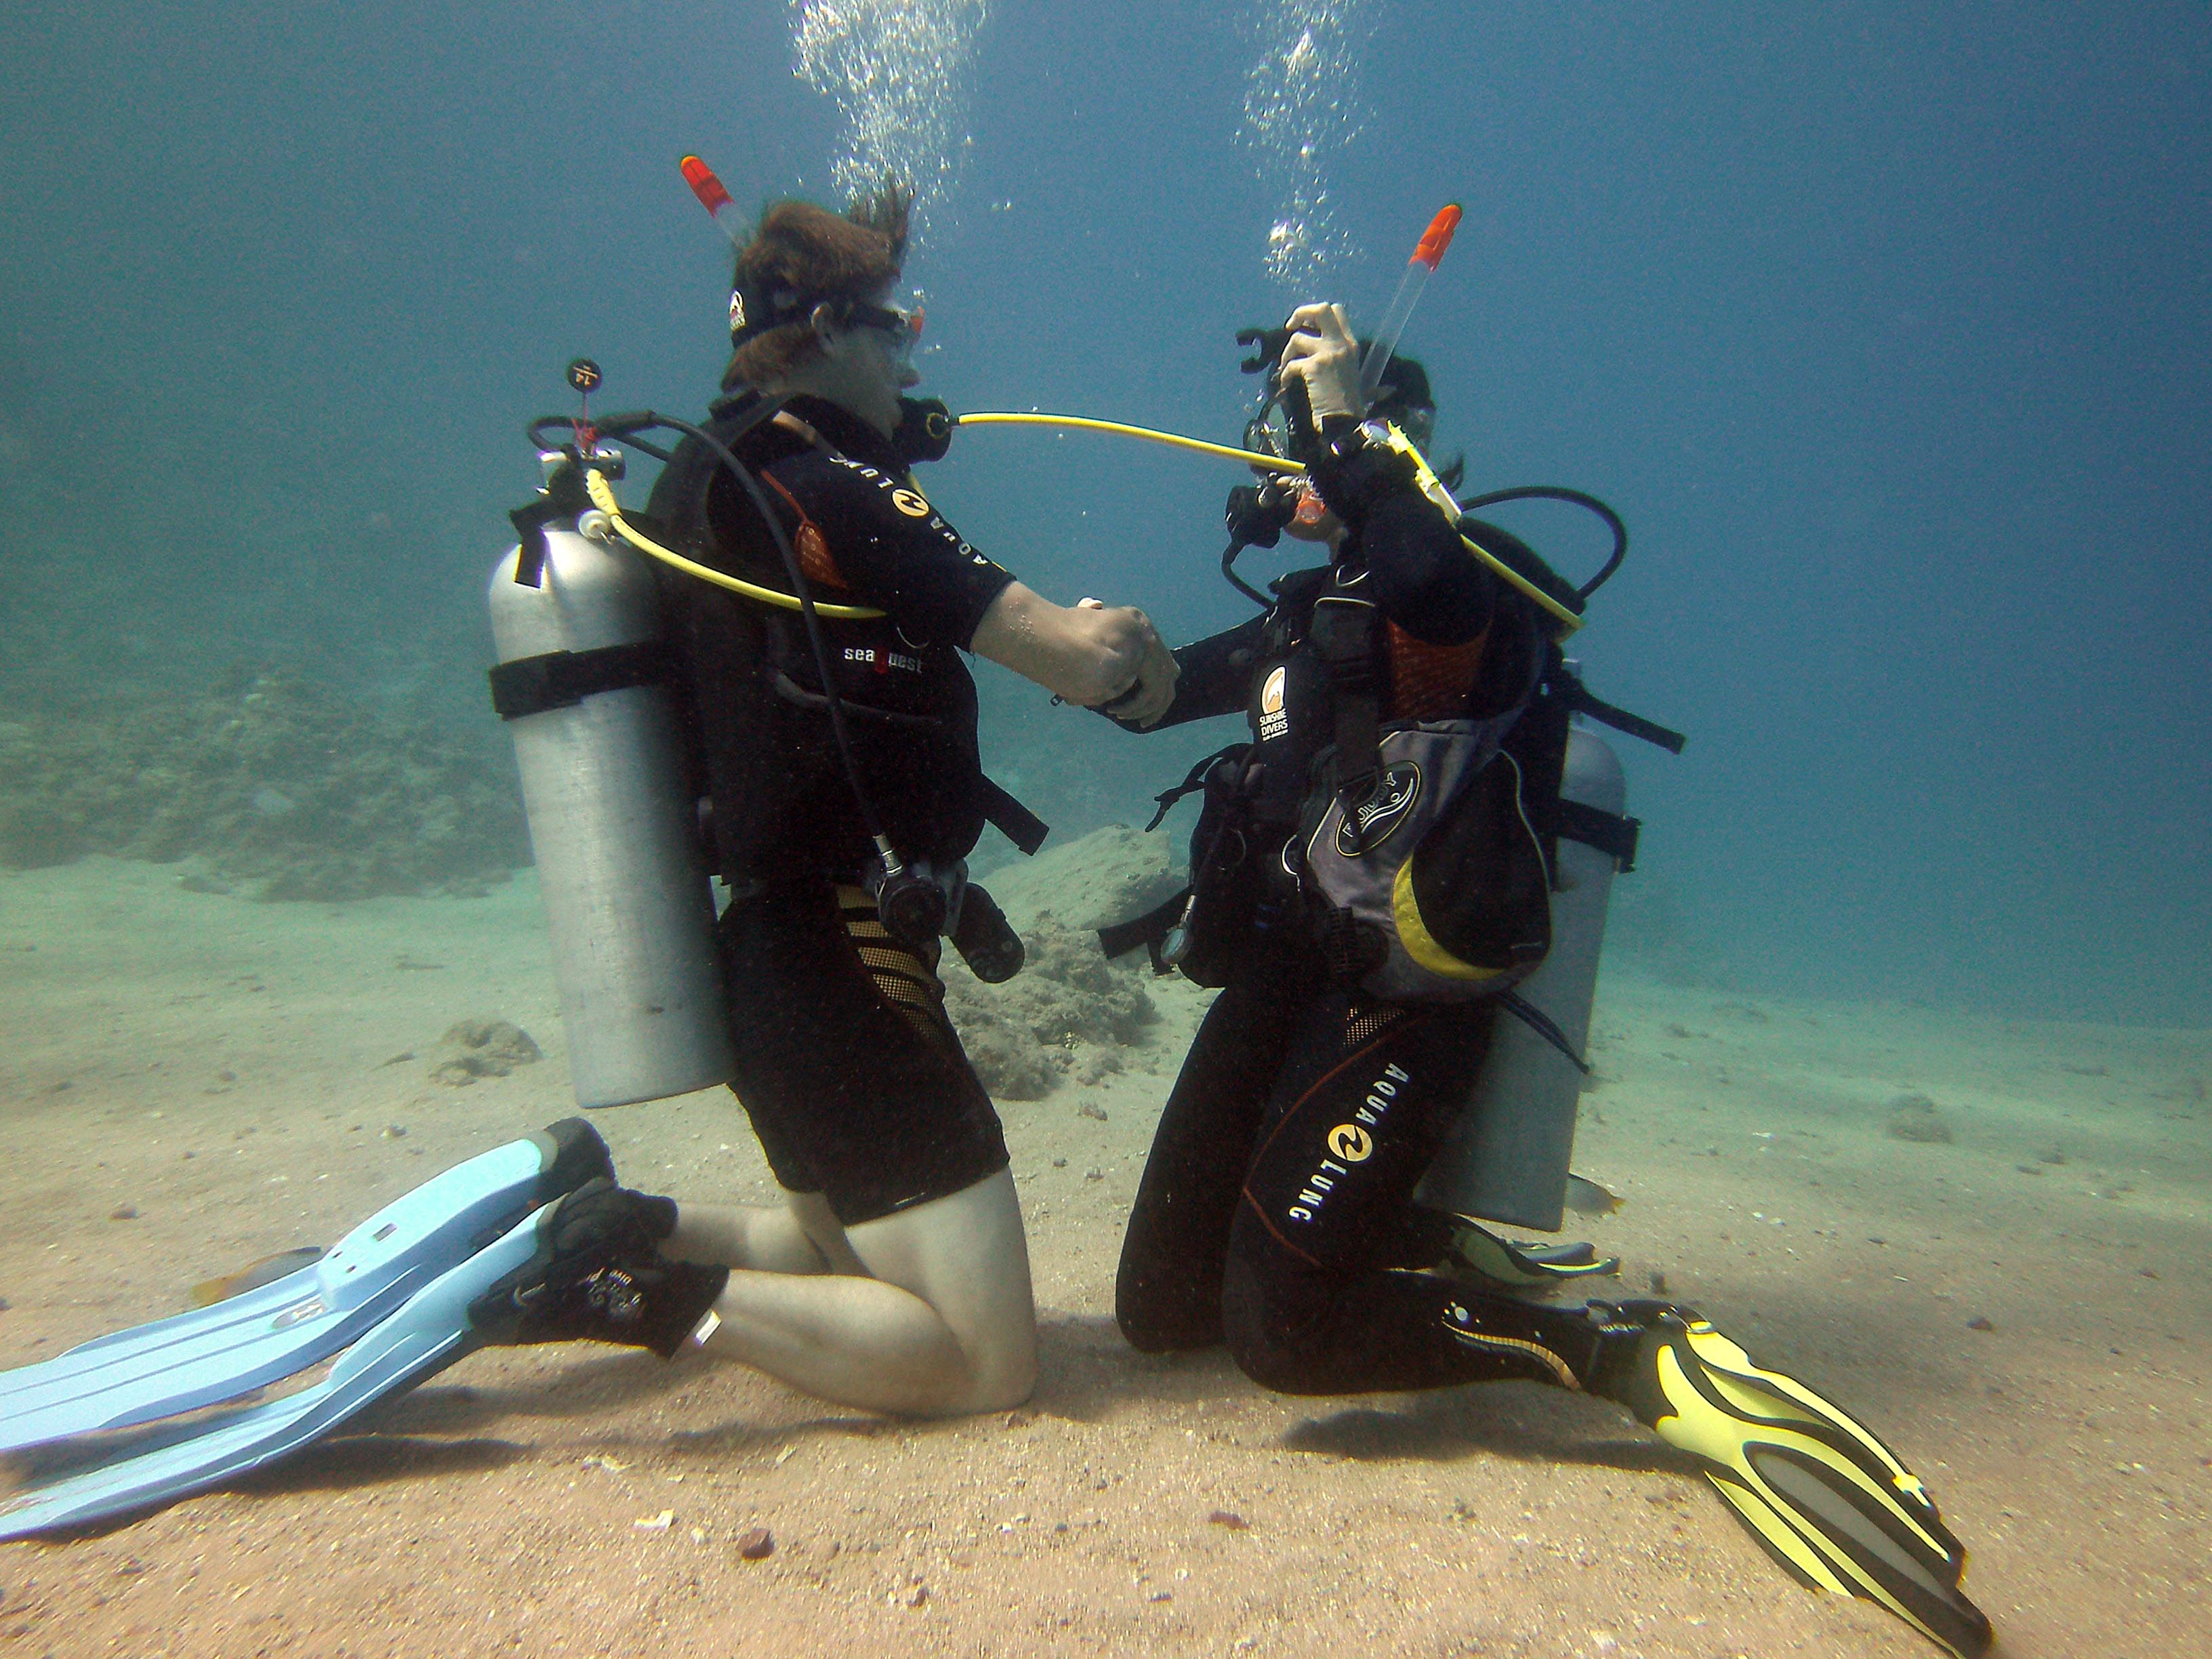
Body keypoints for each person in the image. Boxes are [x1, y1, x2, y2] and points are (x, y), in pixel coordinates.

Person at [1102, 304, 1993, 1658]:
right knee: (1164, 1317)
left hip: (1409, 1003)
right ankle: (1395, 1234)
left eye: (1311, 438)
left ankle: (1604, 1346)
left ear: (1373, 444)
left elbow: (1431, 582)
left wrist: (1346, 421)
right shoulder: (1311, 613)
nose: (1286, 463)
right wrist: (1050, 638)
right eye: (1285, 437)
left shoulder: (1462, 592)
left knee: (1281, 1340)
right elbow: (1164, 695)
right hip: (1289, 980)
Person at [470, 182, 1177, 1418]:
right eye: (894, 329)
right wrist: (1138, 649)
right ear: (831, 336)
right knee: (982, 1364)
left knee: (847, 1254)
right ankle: (642, 1290)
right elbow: (1077, 660)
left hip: (764, 957)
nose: (912, 355)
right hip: (840, 969)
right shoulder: (835, 487)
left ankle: (622, 1219)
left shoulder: (706, 477)